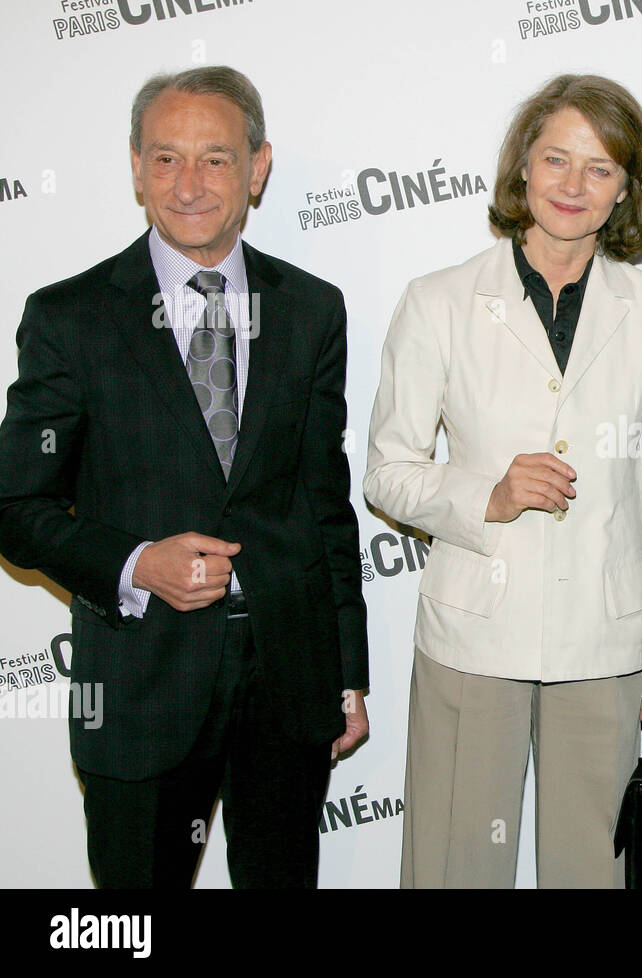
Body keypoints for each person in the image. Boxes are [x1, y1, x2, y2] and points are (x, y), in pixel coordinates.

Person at [0, 66, 369, 887]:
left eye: (215, 158)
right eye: (166, 159)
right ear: (135, 167)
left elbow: (325, 505)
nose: (190, 184)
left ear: (258, 166)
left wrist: (347, 673)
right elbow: (16, 505)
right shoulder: (70, 317)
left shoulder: (312, 309)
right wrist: (137, 563)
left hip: (287, 682)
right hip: (141, 685)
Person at [364, 74, 642, 889]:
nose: (574, 186)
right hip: (474, 633)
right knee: (455, 868)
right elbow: (387, 472)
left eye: (600, 168)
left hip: (608, 638)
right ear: (523, 169)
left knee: (593, 870)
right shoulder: (438, 302)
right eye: (556, 159)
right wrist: (488, 495)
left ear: (627, 189)